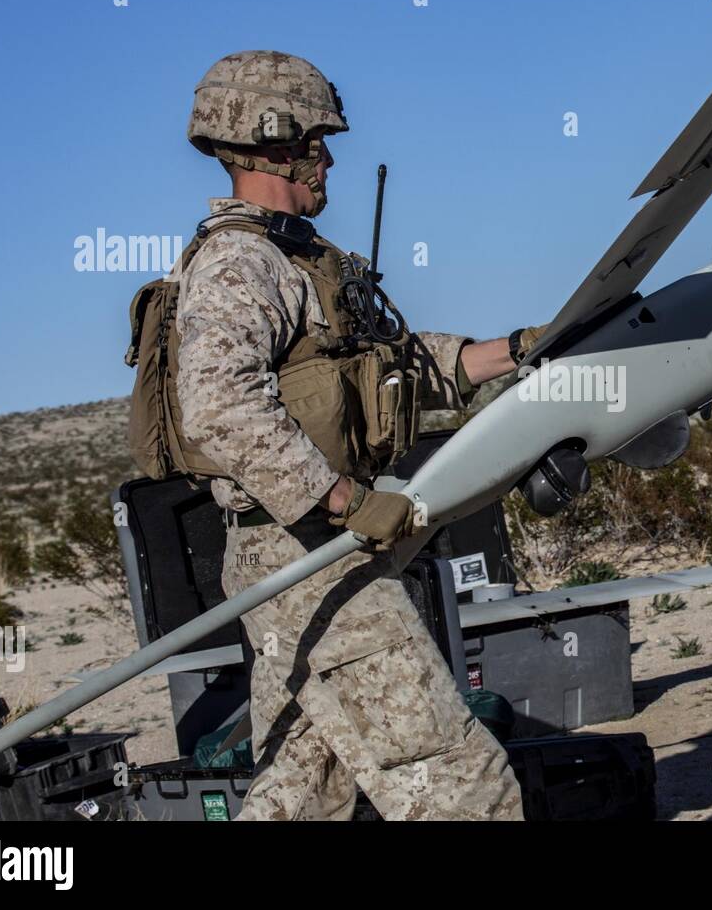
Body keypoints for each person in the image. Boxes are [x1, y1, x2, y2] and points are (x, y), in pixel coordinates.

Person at [129, 50, 545, 819]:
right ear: (277, 140)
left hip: (308, 551)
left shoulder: (306, 261)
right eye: (319, 142)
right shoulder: (240, 262)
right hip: (305, 553)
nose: (328, 161)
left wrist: (515, 350)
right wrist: (344, 498)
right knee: (455, 781)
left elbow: (400, 365)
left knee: (302, 785)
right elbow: (219, 404)